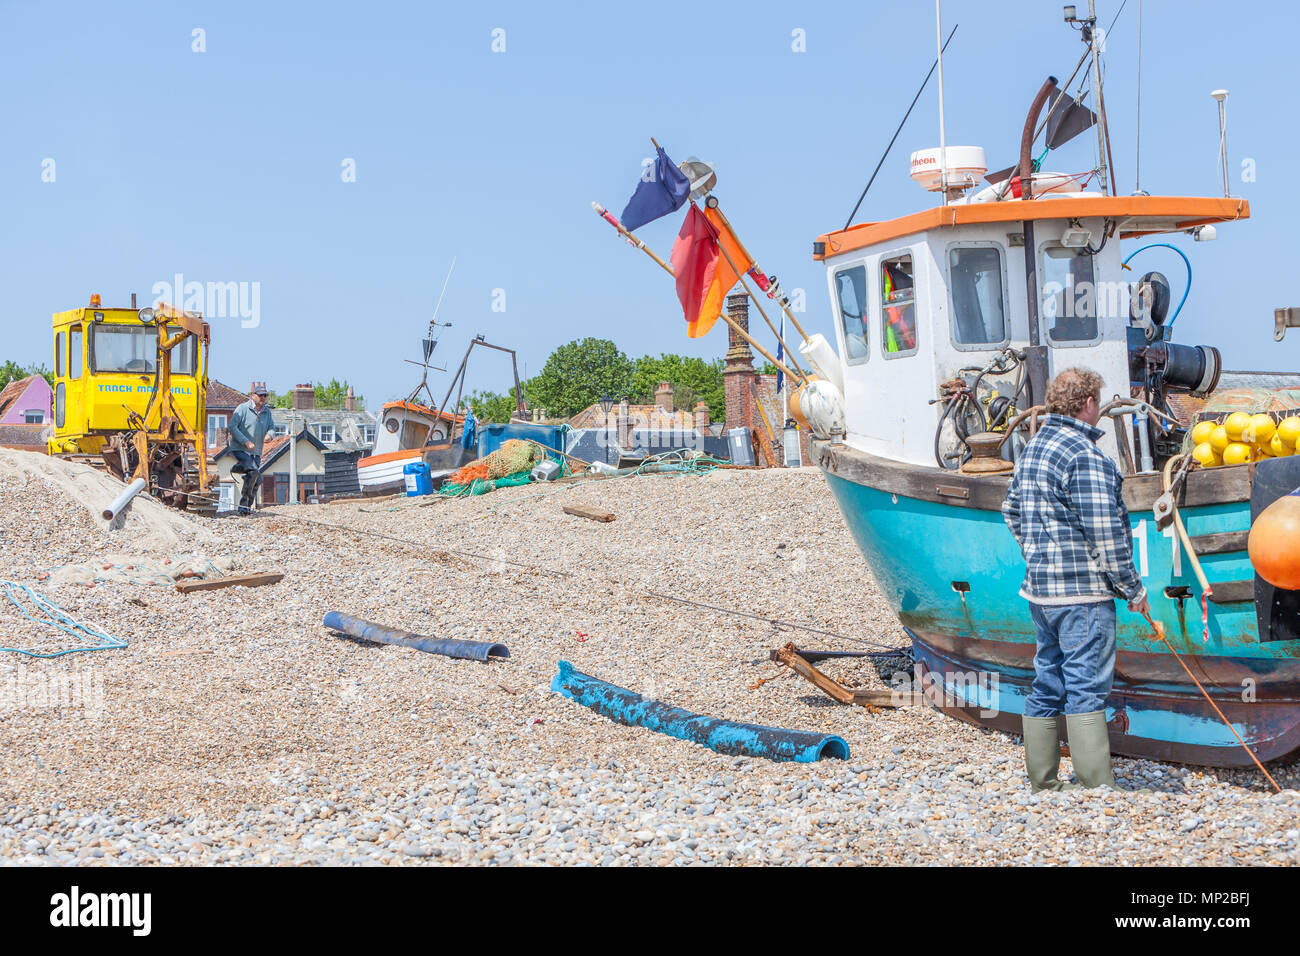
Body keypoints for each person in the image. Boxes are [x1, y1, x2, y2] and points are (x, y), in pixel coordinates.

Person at [1002, 367, 1149, 791]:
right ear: (1088, 404)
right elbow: (1105, 533)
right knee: (1086, 686)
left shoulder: (1033, 448)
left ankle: (1043, 782)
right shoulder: (1085, 455)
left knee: (1048, 680)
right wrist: (1133, 589)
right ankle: (1096, 785)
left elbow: (1011, 510)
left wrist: (1036, 551)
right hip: (1083, 595)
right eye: (1097, 402)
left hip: (1041, 593)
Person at [227, 384, 276, 516]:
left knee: (256, 479)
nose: (263, 398)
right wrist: (246, 441)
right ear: (252, 396)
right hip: (240, 449)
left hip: (256, 452)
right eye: (260, 395)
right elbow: (232, 426)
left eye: (265, 395)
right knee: (253, 472)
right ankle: (243, 507)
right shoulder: (242, 409)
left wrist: (269, 435)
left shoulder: (267, 412)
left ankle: (246, 508)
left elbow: (272, 428)